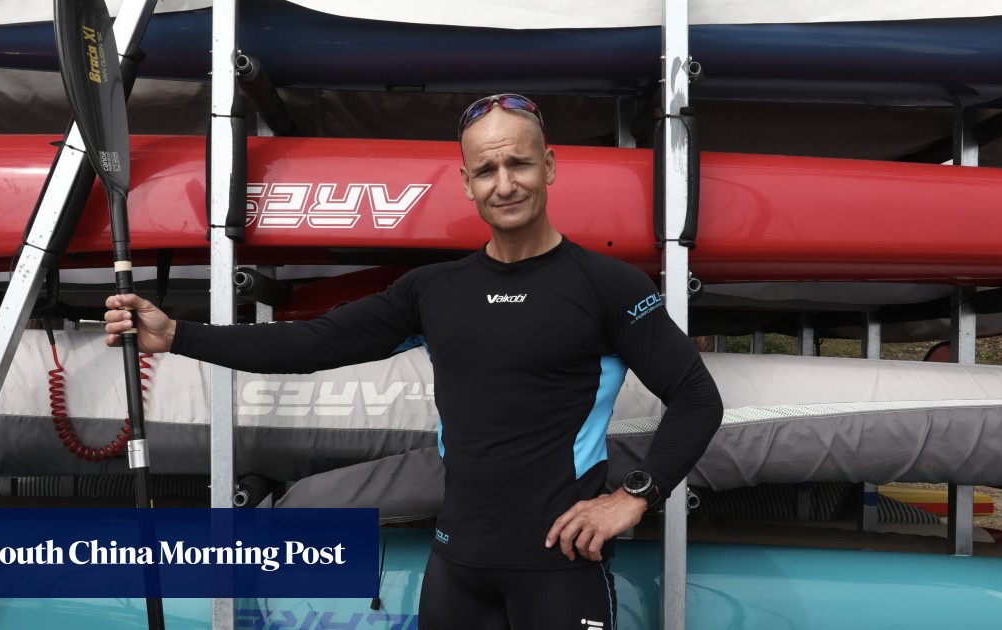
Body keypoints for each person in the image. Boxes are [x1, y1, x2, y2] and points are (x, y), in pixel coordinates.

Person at [104, 94, 723, 629]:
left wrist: (635, 495)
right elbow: (310, 344)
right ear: (466, 182)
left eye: (519, 163)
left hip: (561, 572)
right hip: (458, 569)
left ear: (550, 165)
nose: (504, 183)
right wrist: (177, 334)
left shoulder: (607, 286)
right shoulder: (433, 291)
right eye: (486, 170)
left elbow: (697, 397)